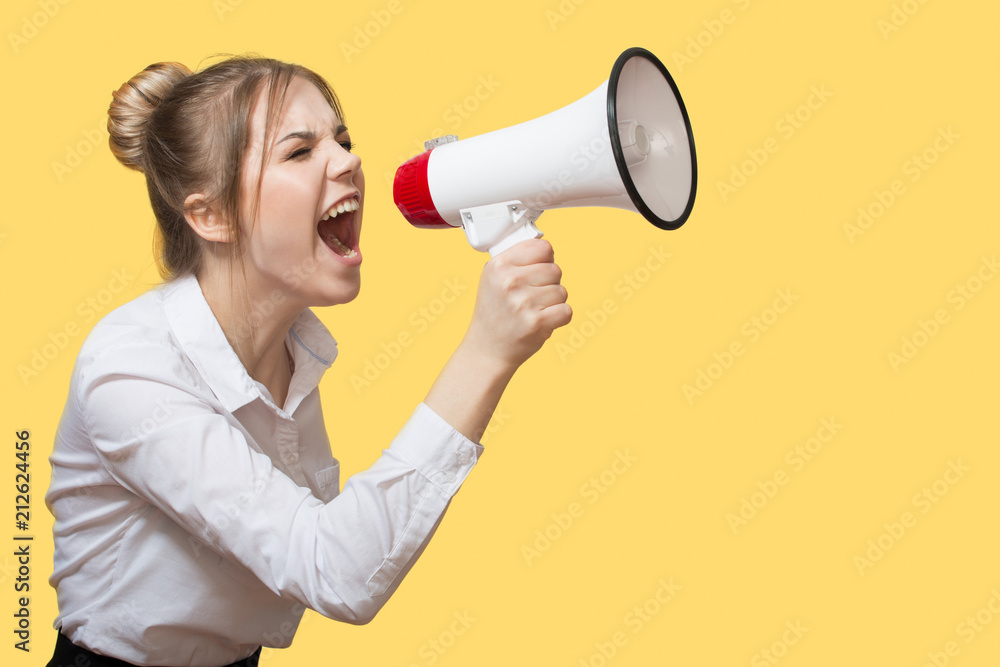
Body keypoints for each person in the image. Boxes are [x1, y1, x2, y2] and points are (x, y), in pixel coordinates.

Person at [45, 55, 571, 667]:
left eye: (343, 141)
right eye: (299, 152)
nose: (349, 161)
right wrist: (484, 354)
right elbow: (337, 569)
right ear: (210, 215)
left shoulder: (294, 346)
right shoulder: (129, 370)